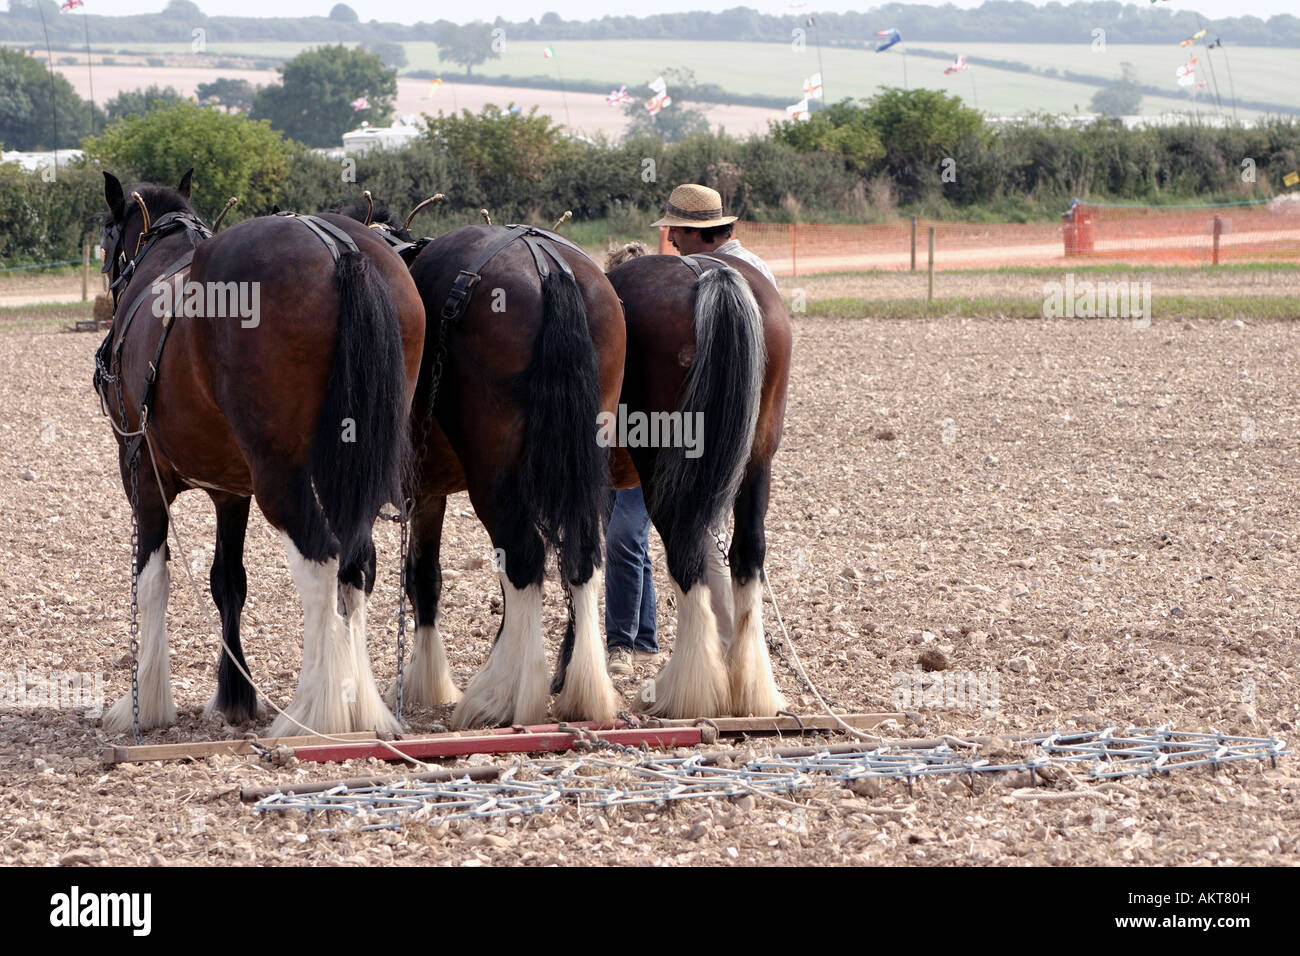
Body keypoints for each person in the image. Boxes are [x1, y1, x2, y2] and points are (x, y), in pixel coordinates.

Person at [604, 184, 776, 677]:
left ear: (690, 232)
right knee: (724, 535)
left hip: (696, 430)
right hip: (744, 432)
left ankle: (714, 656)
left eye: (674, 232)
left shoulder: (700, 280)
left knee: (698, 533)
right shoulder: (760, 275)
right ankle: (741, 656)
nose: (671, 243)